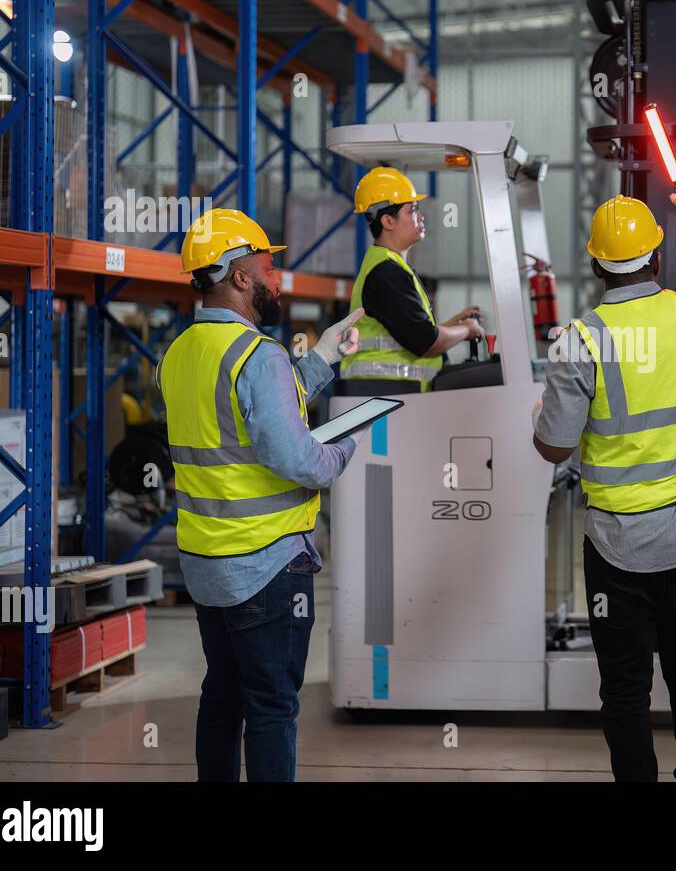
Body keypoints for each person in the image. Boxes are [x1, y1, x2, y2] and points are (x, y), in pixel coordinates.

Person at [531, 183, 676, 782]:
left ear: (596, 264)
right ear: (657, 258)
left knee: (626, 689)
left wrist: (544, 414)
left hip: (618, 550)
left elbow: (553, 446)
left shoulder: (580, 341)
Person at [157, 207, 365, 782]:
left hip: (204, 563)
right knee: (273, 705)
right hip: (267, 564)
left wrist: (323, 357)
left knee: (222, 693)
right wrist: (345, 447)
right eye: (267, 267)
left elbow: (251, 411)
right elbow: (298, 459)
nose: (276, 278)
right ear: (240, 277)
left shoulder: (178, 355)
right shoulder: (260, 356)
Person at [339, 166, 485, 394]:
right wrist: (467, 329)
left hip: (387, 394)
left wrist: (452, 325)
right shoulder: (387, 273)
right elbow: (426, 342)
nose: (421, 216)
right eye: (412, 210)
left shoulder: (389, 266)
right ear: (388, 221)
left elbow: (410, 334)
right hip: (383, 398)